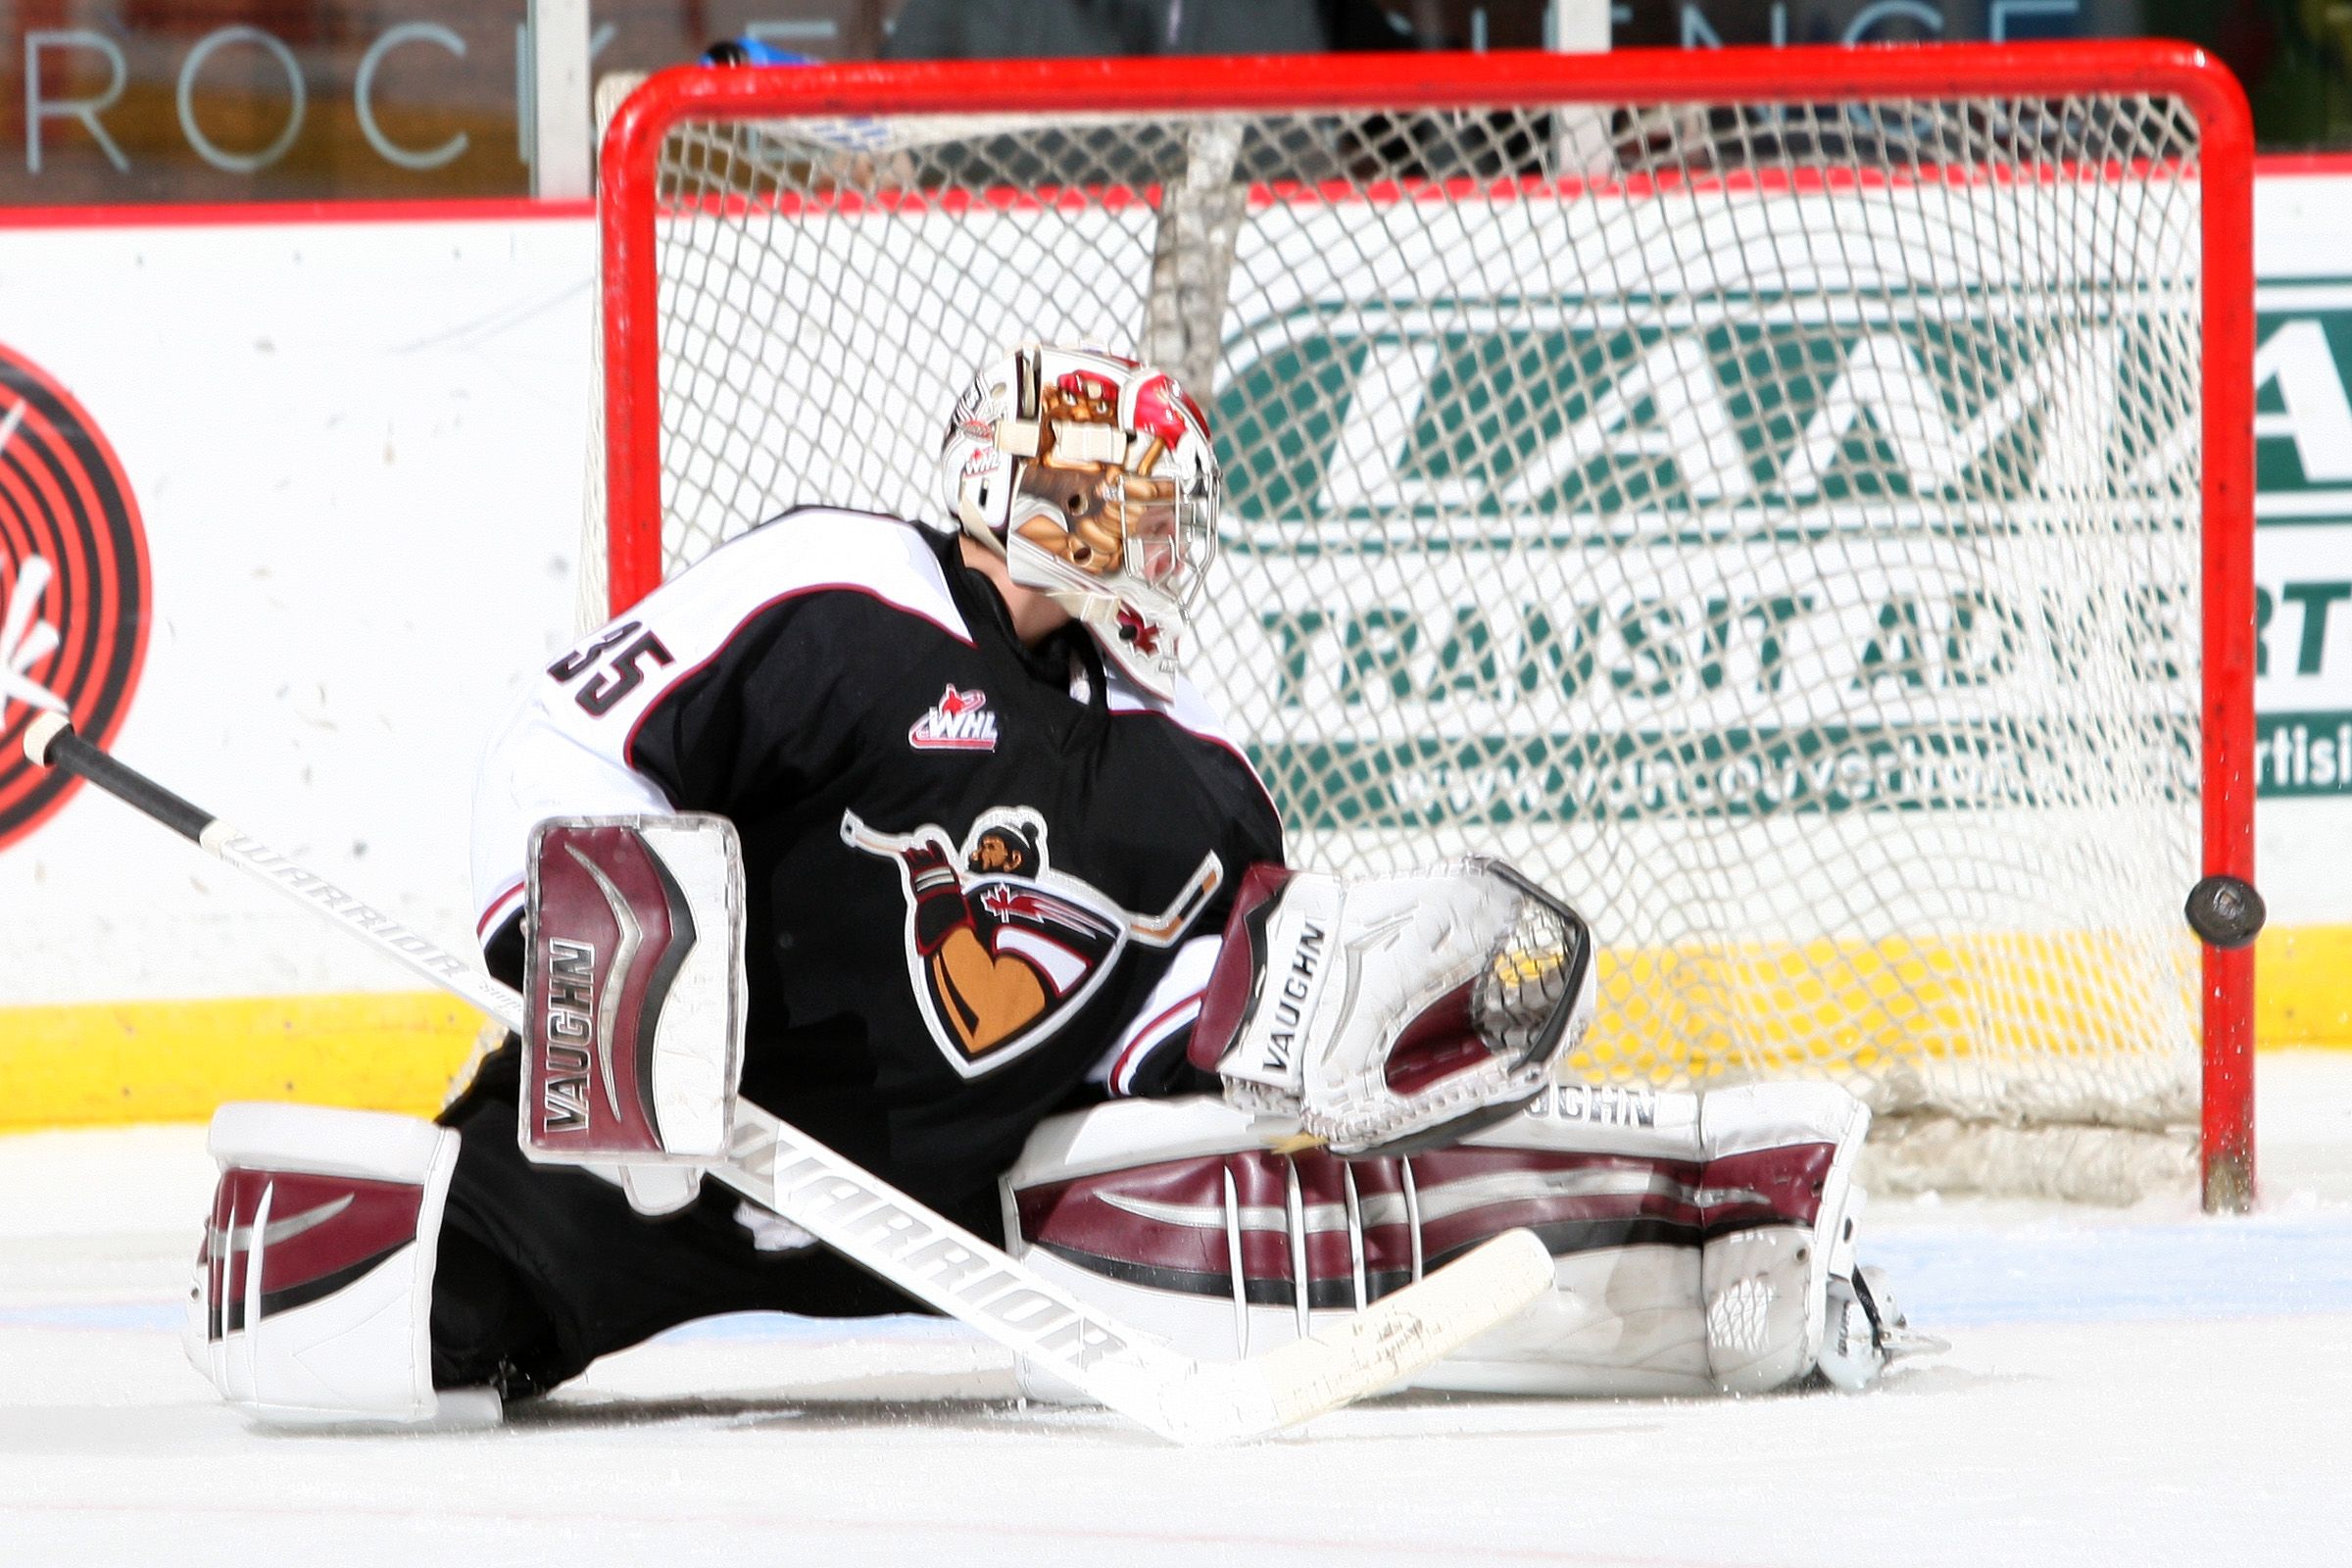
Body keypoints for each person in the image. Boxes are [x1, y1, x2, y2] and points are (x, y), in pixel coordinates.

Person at [182, 343, 1925, 1429]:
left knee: (1295, 1227)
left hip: (971, 1223)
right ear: (1023, 491)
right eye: (1120, 503)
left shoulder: (1192, 767)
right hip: (667, 1170)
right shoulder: (835, 593)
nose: (1153, 540)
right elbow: (563, 744)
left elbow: (1202, 1024)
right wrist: (607, 990)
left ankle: (1726, 1230)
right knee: (371, 1333)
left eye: (1163, 510)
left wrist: (1321, 1014)